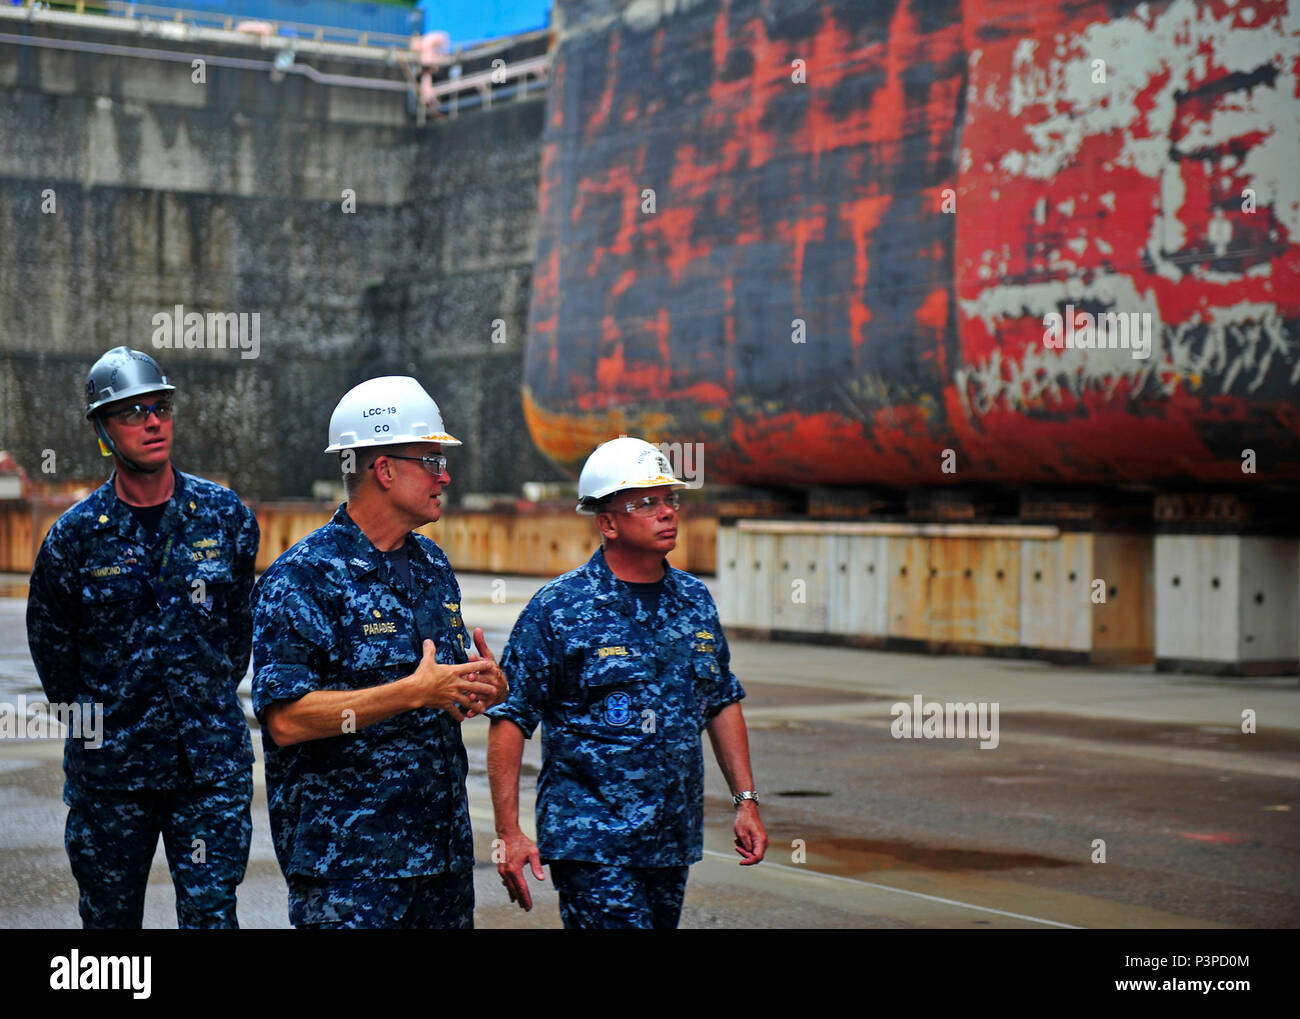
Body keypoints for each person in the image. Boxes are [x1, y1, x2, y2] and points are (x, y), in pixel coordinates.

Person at [251, 376, 507, 929]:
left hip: (440, 861)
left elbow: (442, 688)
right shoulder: (302, 578)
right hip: (350, 869)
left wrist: (478, 688)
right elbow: (287, 721)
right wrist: (410, 694)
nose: (444, 476)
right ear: (384, 469)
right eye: (430, 460)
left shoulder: (432, 566)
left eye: (443, 461)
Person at [486, 436, 768, 929]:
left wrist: (746, 802)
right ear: (608, 522)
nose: (667, 513)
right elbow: (511, 718)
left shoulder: (695, 600)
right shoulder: (559, 609)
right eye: (645, 503)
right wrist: (509, 832)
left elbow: (721, 701)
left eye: (670, 499)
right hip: (592, 840)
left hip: (671, 840)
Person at [26, 345, 259, 928]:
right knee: (109, 929)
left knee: (211, 916)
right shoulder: (73, 540)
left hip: (207, 771)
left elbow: (236, 639)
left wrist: (199, 696)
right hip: (112, 778)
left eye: (160, 408)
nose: (152, 422)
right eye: (133, 413)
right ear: (104, 430)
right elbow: (55, 662)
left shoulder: (224, 517)